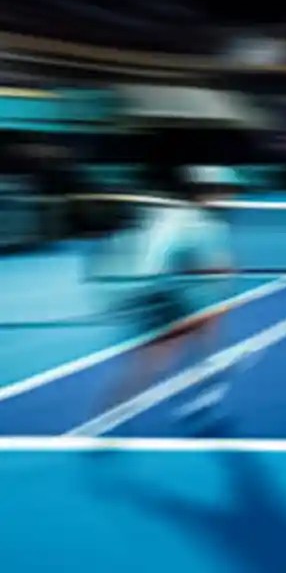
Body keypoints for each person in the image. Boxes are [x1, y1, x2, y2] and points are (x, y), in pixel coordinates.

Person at [100, 165, 239, 427]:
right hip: (163, 293)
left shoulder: (166, 213)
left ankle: (205, 385)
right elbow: (211, 268)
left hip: (146, 288)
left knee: (190, 337)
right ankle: (206, 386)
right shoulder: (205, 225)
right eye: (223, 190)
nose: (229, 196)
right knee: (166, 351)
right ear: (207, 192)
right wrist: (223, 279)